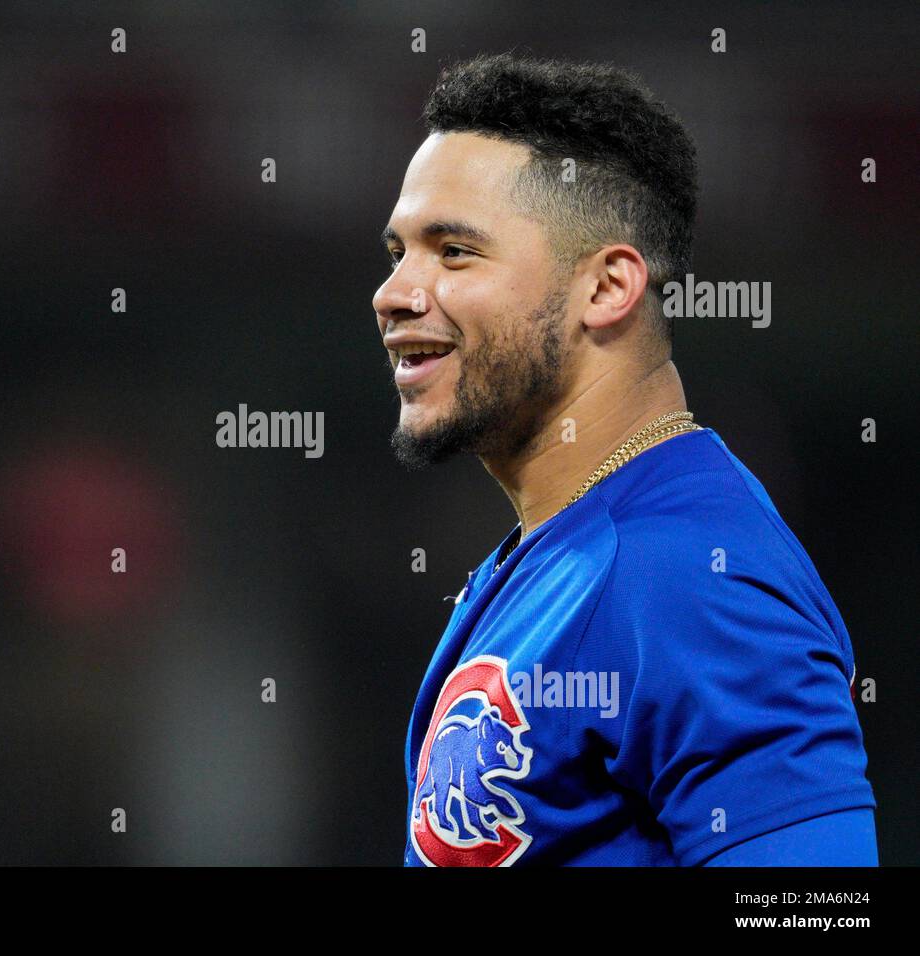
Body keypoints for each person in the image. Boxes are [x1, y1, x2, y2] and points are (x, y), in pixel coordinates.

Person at [374, 53, 876, 866]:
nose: (395, 291)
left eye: (454, 251)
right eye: (397, 251)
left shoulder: (688, 578)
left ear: (608, 290)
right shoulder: (565, 552)